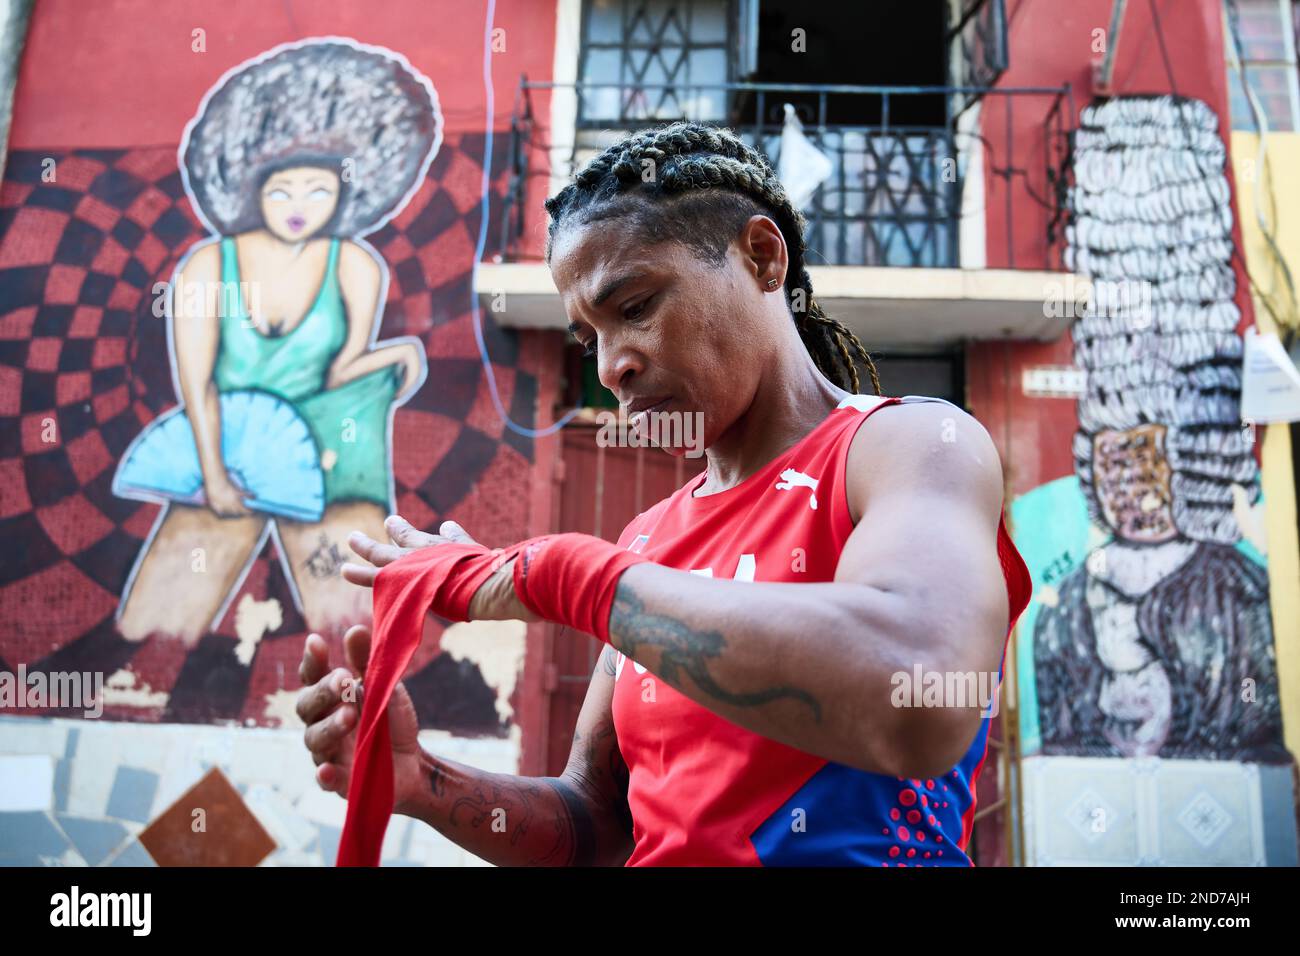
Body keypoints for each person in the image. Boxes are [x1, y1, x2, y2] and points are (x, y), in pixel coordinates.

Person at [297, 121, 1032, 866]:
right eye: (589, 338)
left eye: (636, 306)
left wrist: (554, 573)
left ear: (763, 256)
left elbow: (923, 701)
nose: (612, 365)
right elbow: (596, 824)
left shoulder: (908, 447)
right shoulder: (647, 539)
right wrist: (421, 782)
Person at [115, 39, 437, 643]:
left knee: (359, 625)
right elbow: (196, 381)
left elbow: (340, 374)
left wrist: (398, 357)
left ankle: (366, 726)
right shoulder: (209, 264)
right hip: (226, 454)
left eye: (317, 190)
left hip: (325, 459)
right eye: (281, 191)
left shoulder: (355, 266)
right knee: (157, 620)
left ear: (343, 195)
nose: (298, 207)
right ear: (251, 191)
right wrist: (213, 478)